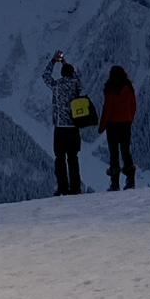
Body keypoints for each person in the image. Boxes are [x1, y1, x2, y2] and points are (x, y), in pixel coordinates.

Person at [43, 52, 87, 195]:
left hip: (60, 128)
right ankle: (75, 188)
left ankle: (62, 187)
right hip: (73, 127)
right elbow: (77, 78)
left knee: (59, 158)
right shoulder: (76, 85)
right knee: (73, 158)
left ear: (62, 74)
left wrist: (54, 61)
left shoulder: (57, 85)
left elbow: (45, 76)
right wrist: (65, 63)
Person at [101, 64, 137, 190]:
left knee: (114, 153)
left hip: (113, 125)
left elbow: (107, 109)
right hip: (126, 124)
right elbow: (133, 106)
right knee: (126, 151)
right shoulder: (129, 88)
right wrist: (129, 119)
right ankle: (131, 180)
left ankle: (115, 183)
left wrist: (102, 126)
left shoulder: (110, 89)